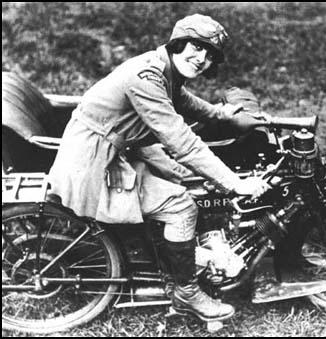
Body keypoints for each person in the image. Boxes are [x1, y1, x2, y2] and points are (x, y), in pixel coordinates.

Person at [48, 13, 269, 322]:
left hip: (114, 152)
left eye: (210, 55)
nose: (201, 58)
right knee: (182, 206)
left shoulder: (163, 69)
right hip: (94, 163)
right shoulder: (147, 77)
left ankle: (192, 256)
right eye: (196, 46)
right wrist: (234, 183)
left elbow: (192, 106)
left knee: (188, 180)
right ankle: (186, 293)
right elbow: (180, 139)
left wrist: (227, 116)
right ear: (178, 42)